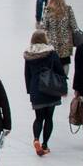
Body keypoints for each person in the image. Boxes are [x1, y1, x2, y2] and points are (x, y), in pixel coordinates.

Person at [24, 29, 65, 157]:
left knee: (38, 117)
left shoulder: (29, 55)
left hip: (36, 89)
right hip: (50, 88)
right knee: (49, 118)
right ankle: (45, 144)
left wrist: (30, 91)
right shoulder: (51, 53)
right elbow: (59, 70)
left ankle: (36, 138)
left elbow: (27, 74)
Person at [39, 0, 80, 67]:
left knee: (52, 62)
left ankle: (55, 78)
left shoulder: (47, 10)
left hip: (52, 42)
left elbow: (44, 27)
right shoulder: (68, 9)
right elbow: (74, 25)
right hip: (65, 42)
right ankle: (64, 78)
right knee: (65, 62)